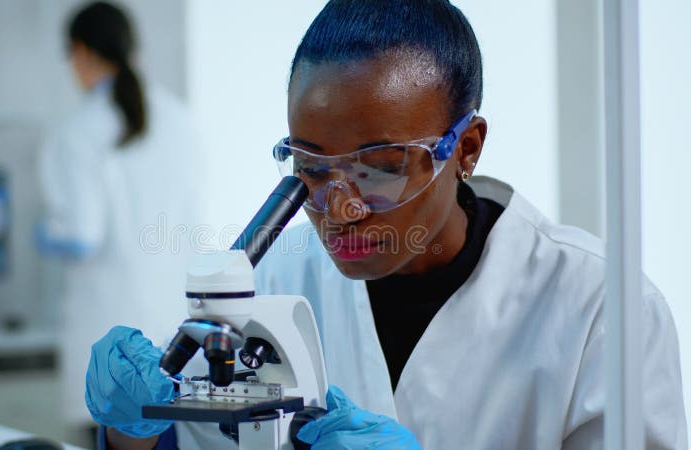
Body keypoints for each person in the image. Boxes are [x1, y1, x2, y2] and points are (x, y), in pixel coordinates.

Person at [83, 1, 688, 449]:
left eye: (380, 167)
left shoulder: (601, 310)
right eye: (312, 168)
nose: (339, 207)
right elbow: (189, 443)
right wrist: (129, 428)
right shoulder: (274, 281)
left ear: (468, 147)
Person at [37, 1, 195, 441]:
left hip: (110, 341)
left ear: (81, 52)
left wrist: (42, 235)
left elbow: (81, 236)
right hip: (174, 334)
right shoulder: (181, 119)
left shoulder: (79, 131)